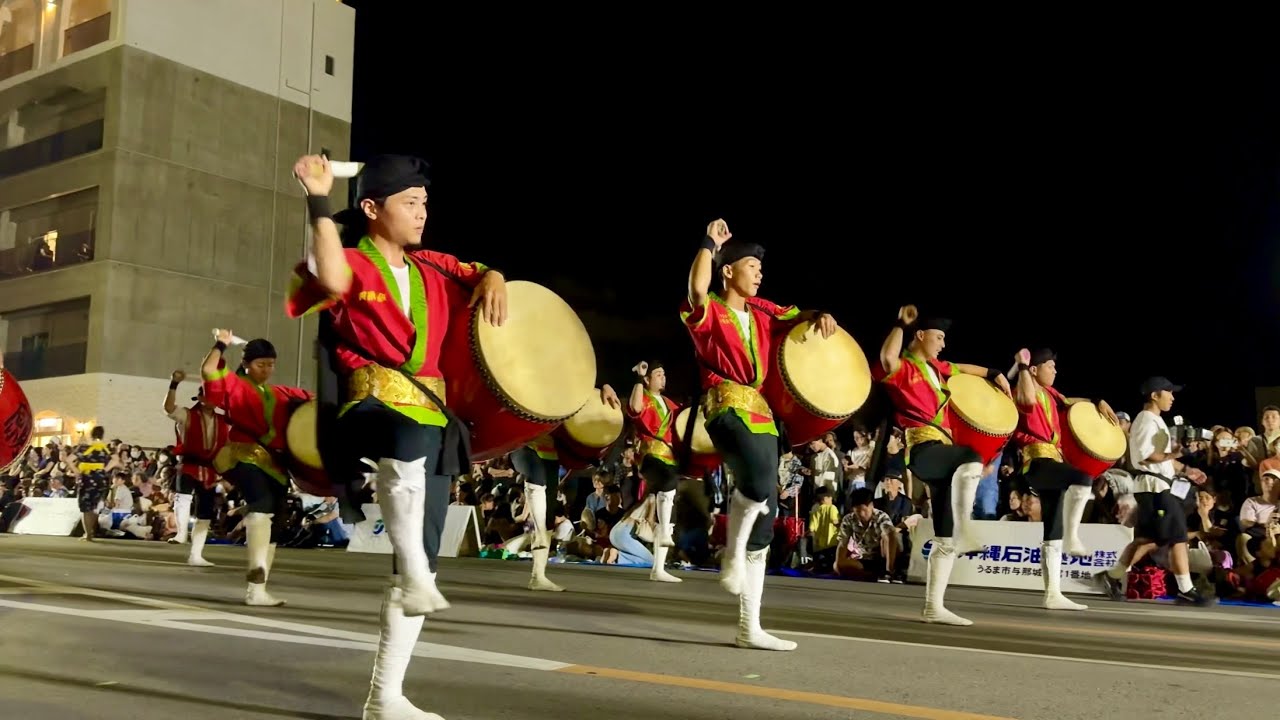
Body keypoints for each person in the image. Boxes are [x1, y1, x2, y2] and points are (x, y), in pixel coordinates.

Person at [287, 153, 508, 720]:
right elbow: (329, 277)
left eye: (425, 203)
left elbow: (476, 270)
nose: (422, 213)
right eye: (409, 203)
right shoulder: (352, 260)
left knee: (425, 560)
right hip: (368, 405)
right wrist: (316, 198)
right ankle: (412, 572)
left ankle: (384, 697)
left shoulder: (432, 265)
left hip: (429, 416)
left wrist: (495, 276)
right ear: (370, 208)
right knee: (405, 434)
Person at [681, 218, 837, 651]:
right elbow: (696, 290)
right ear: (728, 271)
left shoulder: (764, 312)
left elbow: (799, 315)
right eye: (752, 265)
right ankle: (730, 552)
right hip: (726, 406)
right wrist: (708, 245)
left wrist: (820, 316)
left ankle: (750, 627)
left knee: (766, 511)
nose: (759, 272)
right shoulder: (710, 310)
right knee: (759, 480)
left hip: (762, 413)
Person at [874, 304, 1011, 626]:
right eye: (938, 337)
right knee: (971, 456)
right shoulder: (904, 368)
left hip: (942, 453)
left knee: (944, 537)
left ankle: (934, 606)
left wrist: (994, 373)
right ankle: (966, 530)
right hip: (923, 448)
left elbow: (964, 369)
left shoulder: (938, 369)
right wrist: (899, 325)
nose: (943, 343)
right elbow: (887, 359)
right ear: (920, 336)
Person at [201, 334, 312, 606]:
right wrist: (221, 343)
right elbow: (207, 370)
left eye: (271, 364)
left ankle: (257, 590)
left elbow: (317, 402)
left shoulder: (281, 393)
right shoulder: (235, 385)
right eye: (262, 364)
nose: (267, 370)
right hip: (245, 455)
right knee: (260, 505)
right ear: (247, 364)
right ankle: (257, 569)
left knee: (273, 520)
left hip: (275, 464)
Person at [1011, 348, 1121, 611]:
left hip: (1053, 462)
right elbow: (1026, 399)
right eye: (1050, 366)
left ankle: (1052, 594)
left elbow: (1073, 402)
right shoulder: (1024, 389)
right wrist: (1023, 367)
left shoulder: (1051, 393)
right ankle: (1073, 536)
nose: (1055, 370)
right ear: (1035, 370)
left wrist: (1098, 401)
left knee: (1052, 530)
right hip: (1035, 462)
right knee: (1082, 478)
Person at [1098, 377, 1210, 605]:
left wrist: (1187, 469)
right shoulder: (1145, 420)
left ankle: (1111, 576)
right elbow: (1147, 457)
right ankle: (1185, 589)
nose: (1172, 397)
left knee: (1146, 538)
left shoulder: (1156, 421)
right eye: (1169, 392)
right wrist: (1178, 454)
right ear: (1154, 395)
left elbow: (1163, 460)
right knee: (1178, 533)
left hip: (1158, 484)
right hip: (1153, 487)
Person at [510, 383, 621, 592]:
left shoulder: (564, 386)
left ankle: (538, 575)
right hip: (524, 445)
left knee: (548, 517)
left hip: (549, 453)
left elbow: (581, 390)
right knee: (538, 486)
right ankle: (538, 533)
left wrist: (604, 387)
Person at [163, 370, 228, 566]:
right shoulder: (187, 414)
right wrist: (174, 384)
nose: (214, 400)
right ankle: (181, 533)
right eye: (210, 396)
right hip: (189, 463)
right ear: (200, 398)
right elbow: (168, 408)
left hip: (209, 468)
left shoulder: (222, 421)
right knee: (183, 496)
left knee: (205, 510)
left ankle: (196, 554)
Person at [627, 360, 683, 582]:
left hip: (670, 458)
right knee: (668, 482)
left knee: (669, 517)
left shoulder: (671, 404)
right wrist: (638, 379)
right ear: (648, 379)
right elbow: (635, 408)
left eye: (664, 374)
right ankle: (665, 536)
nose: (663, 377)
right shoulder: (644, 397)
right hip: (650, 456)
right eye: (658, 374)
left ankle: (658, 569)